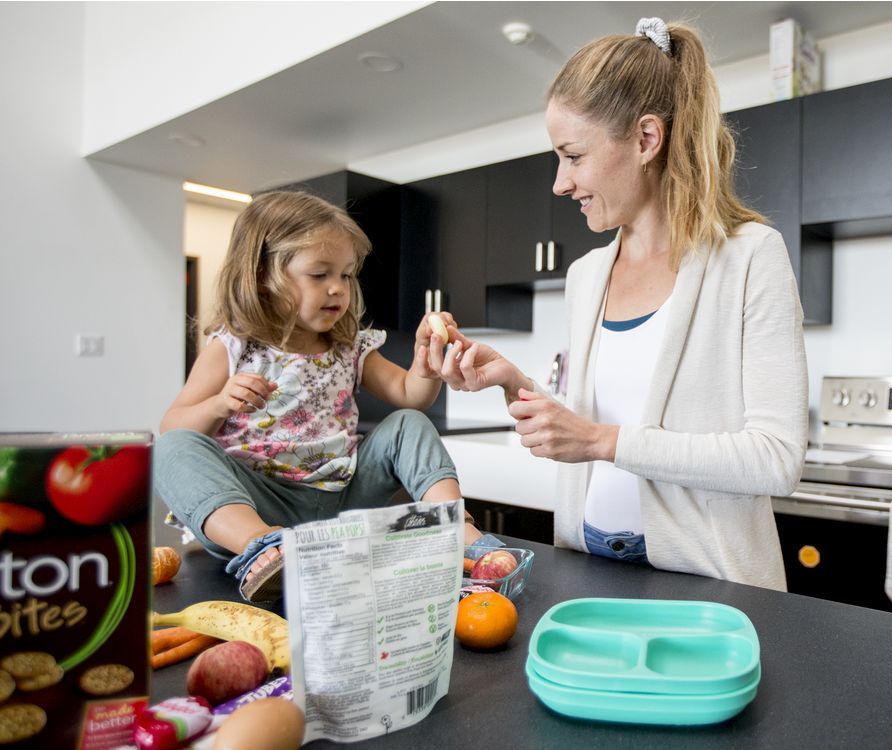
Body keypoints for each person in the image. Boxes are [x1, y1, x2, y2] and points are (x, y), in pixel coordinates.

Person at [430, 18, 807, 591]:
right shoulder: (586, 275)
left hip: (706, 579)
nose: (559, 183)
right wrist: (515, 383)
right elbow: (587, 422)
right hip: (587, 560)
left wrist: (602, 441)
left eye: (573, 156)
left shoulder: (751, 256)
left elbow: (776, 459)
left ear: (646, 139)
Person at [154, 191, 494, 603]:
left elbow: (409, 396)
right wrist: (219, 404)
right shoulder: (234, 347)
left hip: (344, 502)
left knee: (408, 424)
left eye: (346, 275)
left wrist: (425, 363)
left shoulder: (349, 345)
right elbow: (174, 425)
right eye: (320, 275)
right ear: (264, 276)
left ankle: (455, 527)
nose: (337, 289)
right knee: (172, 447)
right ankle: (263, 547)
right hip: (261, 503)